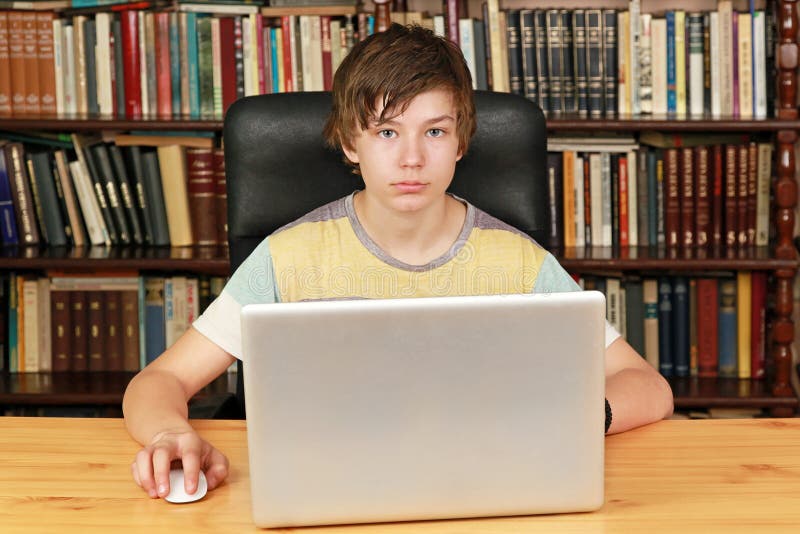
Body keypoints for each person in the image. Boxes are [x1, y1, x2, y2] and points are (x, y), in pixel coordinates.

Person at [123, 23, 674, 500]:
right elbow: (161, 379)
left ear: (461, 143)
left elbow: (646, 386)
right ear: (348, 142)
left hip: (480, 485)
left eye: (434, 131)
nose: (412, 157)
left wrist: (577, 419)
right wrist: (170, 433)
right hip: (324, 484)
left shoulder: (519, 262)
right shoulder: (286, 258)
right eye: (386, 131)